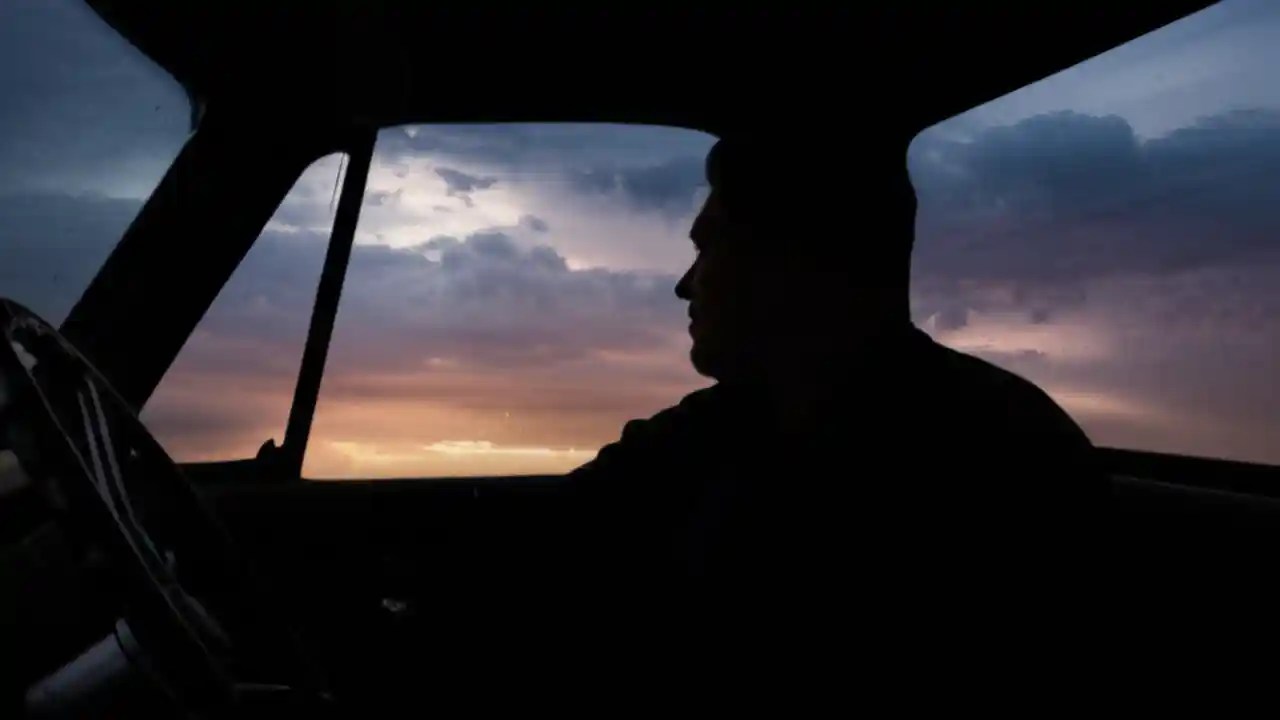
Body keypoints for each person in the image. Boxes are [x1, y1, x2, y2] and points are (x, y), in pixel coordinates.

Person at [558, 132, 1104, 663]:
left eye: (709, 245)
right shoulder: (712, 426)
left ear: (791, 259)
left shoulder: (1003, 457)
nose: (685, 283)